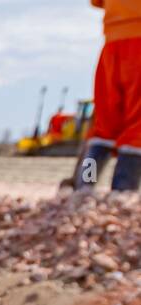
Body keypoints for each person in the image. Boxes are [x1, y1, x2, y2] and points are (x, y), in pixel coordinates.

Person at [76, 0, 141, 191]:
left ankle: (85, 184)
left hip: (112, 45)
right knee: (138, 124)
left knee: (105, 123)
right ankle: (122, 188)